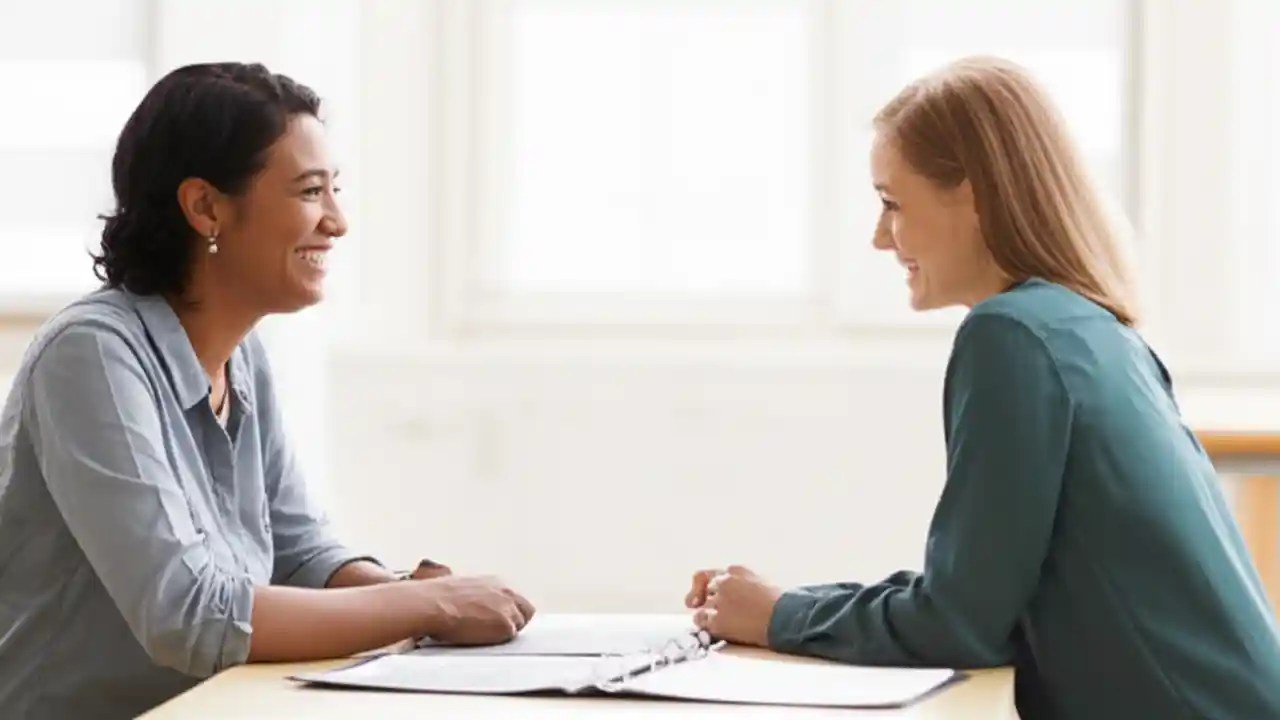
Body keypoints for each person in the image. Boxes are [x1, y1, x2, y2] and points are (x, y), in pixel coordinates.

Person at [684, 57, 1280, 719]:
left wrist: (780, 616)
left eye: (891, 203)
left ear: (972, 194)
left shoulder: (1011, 337)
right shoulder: (1087, 327)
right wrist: (782, 605)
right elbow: (978, 601)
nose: (880, 237)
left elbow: (960, 622)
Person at [0, 62, 534, 718]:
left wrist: (401, 593)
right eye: (311, 192)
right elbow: (188, 615)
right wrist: (427, 605)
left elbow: (297, 551)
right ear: (205, 206)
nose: (336, 221)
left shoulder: (242, 351)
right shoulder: (91, 356)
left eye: (335, 190)